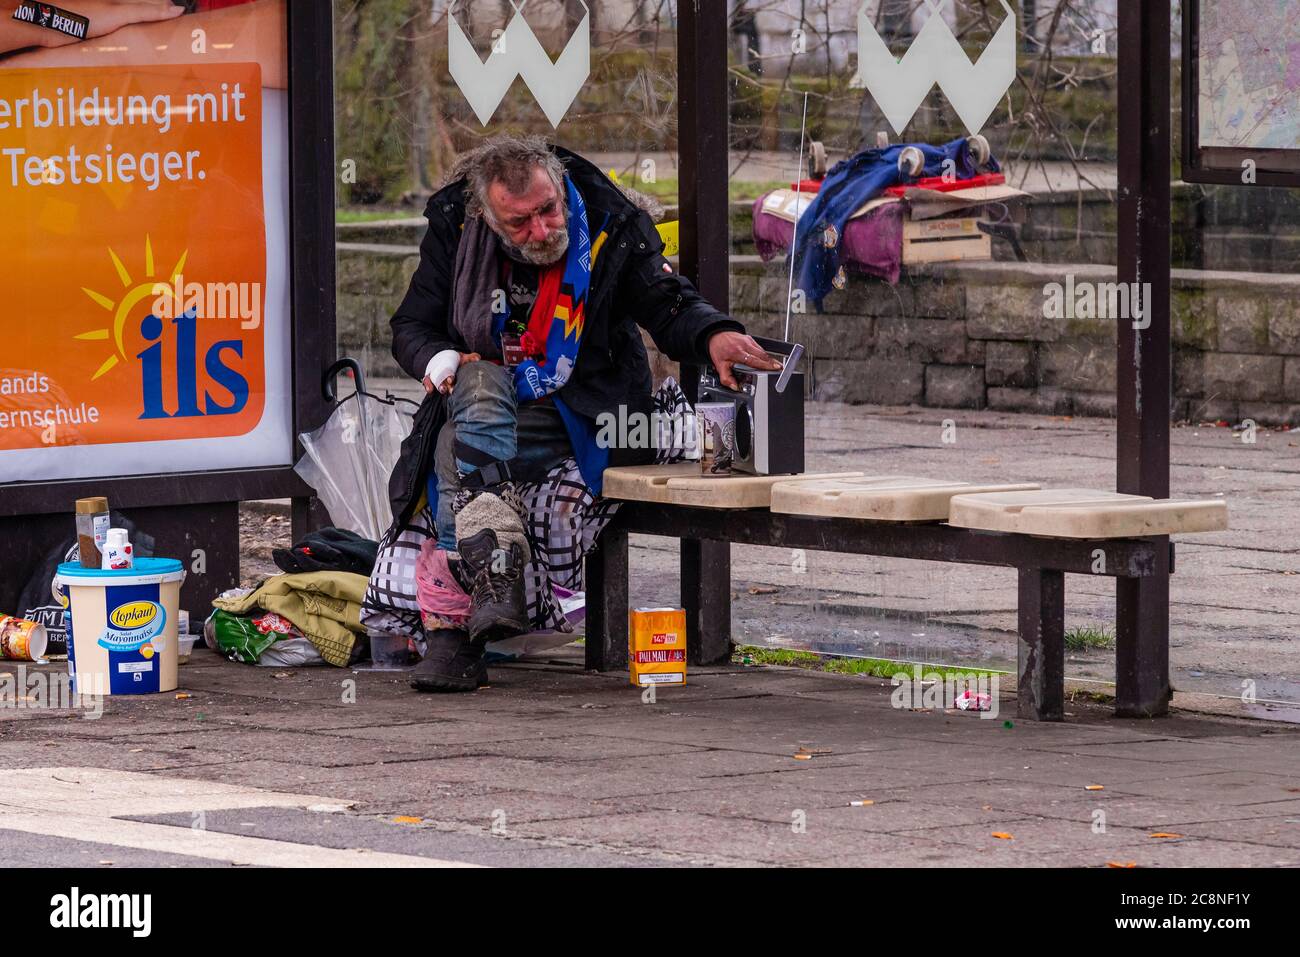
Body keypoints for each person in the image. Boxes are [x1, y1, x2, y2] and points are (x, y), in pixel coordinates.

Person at [390, 133, 781, 692]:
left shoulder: (608, 222)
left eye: (548, 210)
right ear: (487, 218)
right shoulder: (457, 227)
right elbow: (412, 325)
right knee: (476, 390)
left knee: (454, 449)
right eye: (519, 223)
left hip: (586, 409)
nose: (542, 230)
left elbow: (666, 301)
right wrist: (441, 358)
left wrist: (714, 333)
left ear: (559, 185)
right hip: (490, 400)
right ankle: (491, 583)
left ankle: (459, 634)